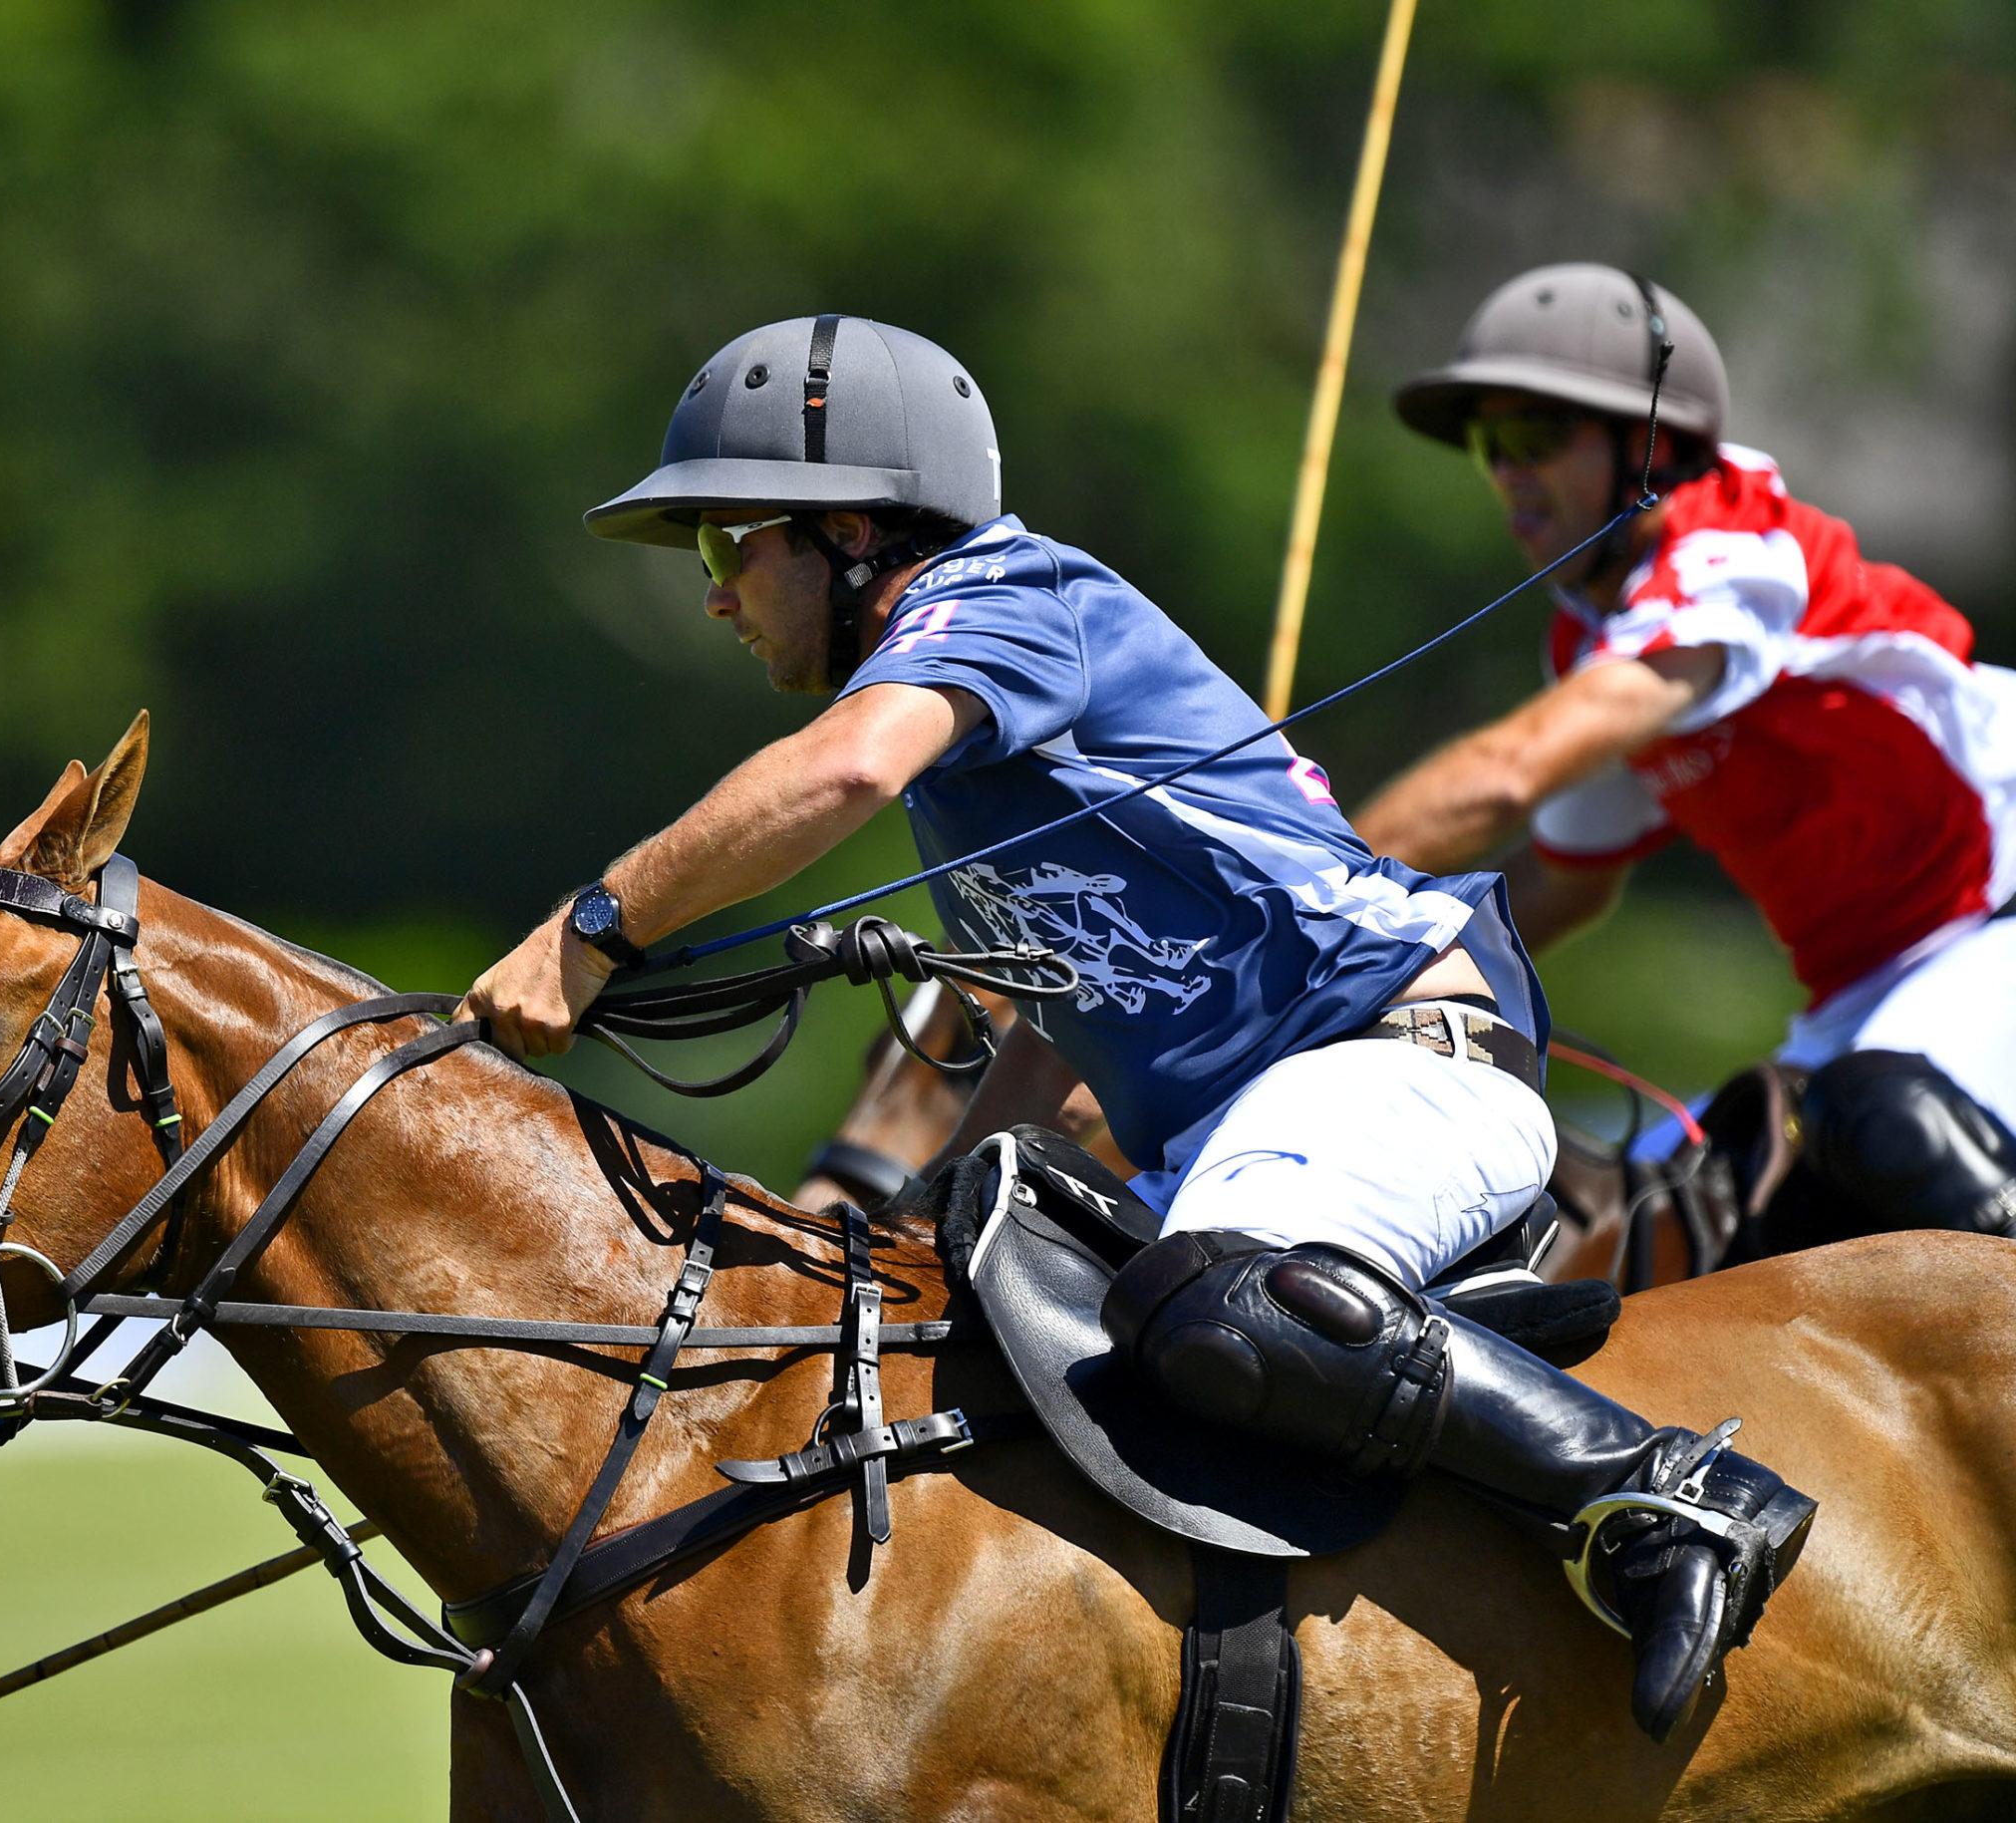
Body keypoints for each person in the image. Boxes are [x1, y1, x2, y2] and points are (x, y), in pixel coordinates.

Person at [458, 314, 1813, 1738]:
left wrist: (594, 927)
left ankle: (1668, 1497)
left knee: (1215, 1291)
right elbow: (1055, 1037)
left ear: (853, 529)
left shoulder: (1001, 598)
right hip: (1258, 1124)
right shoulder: (973, 768)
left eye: (734, 548)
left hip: (1401, 1066)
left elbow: (838, 770)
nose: (721, 595)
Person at [1358, 263, 2016, 1238]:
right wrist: (1368, 989)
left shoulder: (1733, 554)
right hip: (1863, 992)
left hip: (1995, 920)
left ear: (1649, 447)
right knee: (1647, 1226)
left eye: (1535, 437)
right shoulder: (1591, 639)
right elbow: (1563, 882)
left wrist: (1298, 903)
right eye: (1489, 446)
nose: (1507, 473)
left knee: (1889, 1137)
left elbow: (1509, 771)